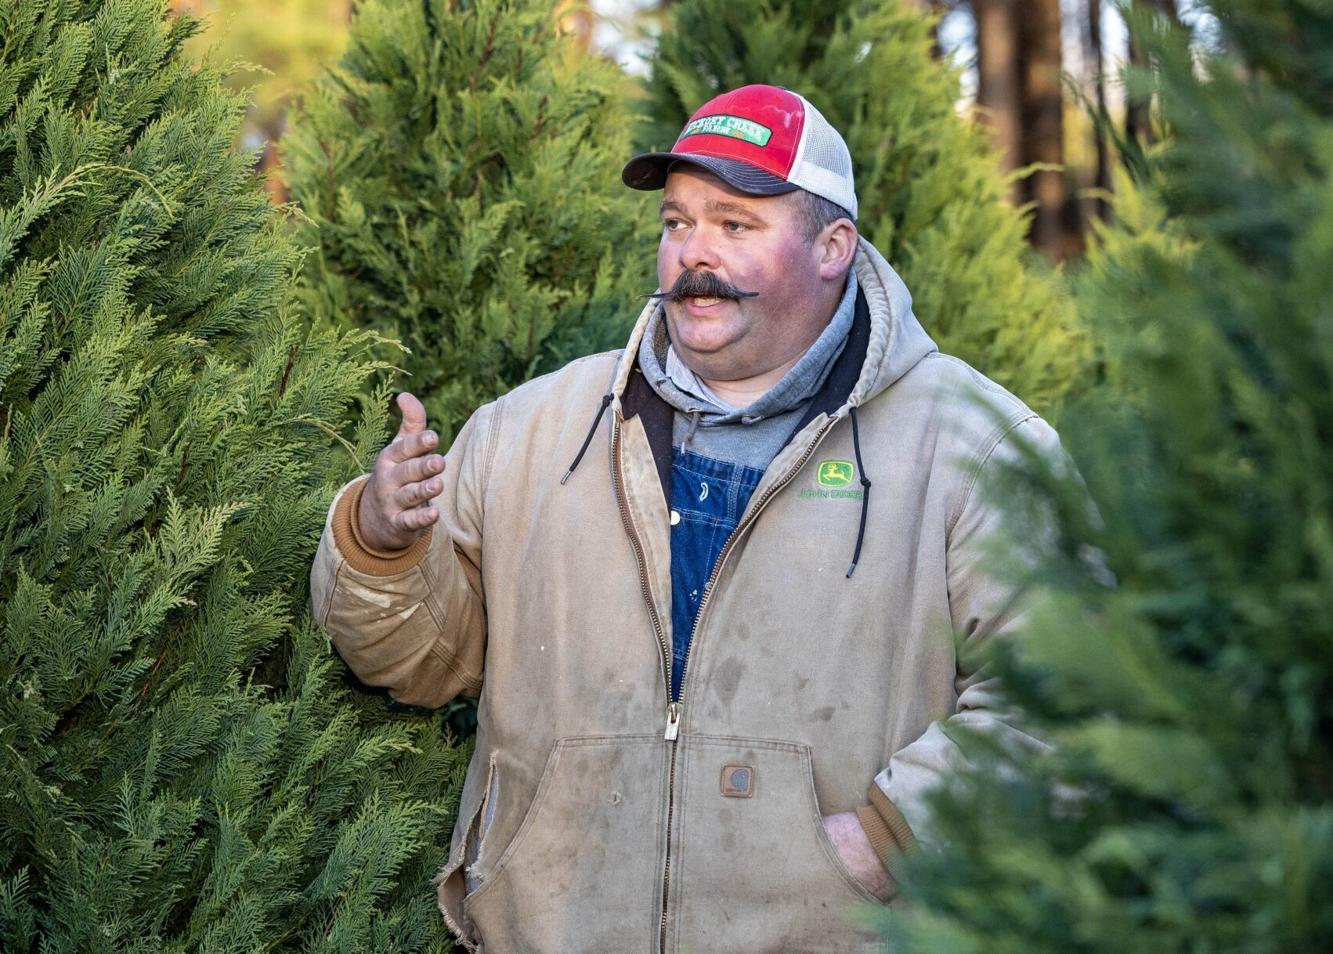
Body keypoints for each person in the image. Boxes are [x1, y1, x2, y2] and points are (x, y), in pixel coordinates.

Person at [310, 84, 1061, 953]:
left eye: (735, 224)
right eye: (677, 222)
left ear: (833, 247)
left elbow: (1064, 698)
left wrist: (889, 841)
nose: (694, 253)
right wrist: (382, 542)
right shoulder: (531, 428)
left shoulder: (976, 446)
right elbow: (419, 665)